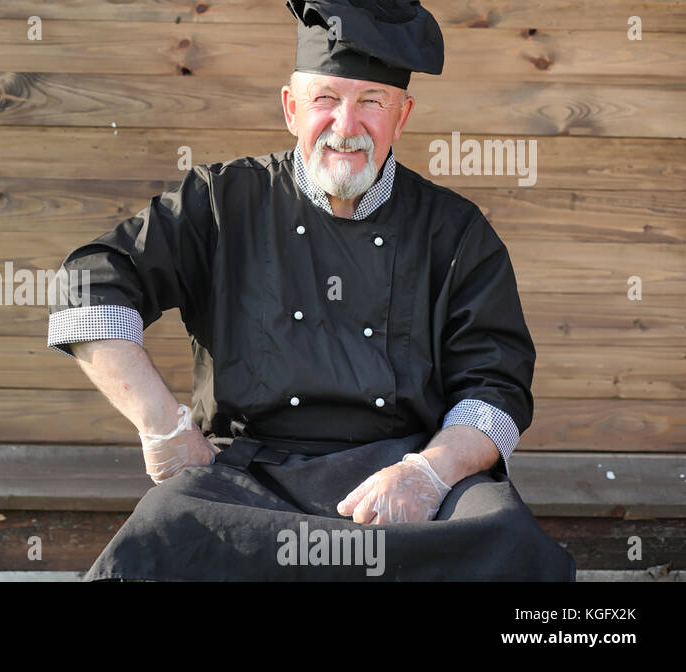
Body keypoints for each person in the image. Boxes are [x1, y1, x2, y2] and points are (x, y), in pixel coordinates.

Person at [45, 0, 575, 580]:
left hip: (404, 480)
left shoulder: (455, 231)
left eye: (371, 102)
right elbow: (87, 285)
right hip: (250, 482)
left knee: (507, 539)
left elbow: (496, 389)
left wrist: (431, 474)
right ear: (292, 108)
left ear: (402, 116)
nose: (346, 127)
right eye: (326, 99)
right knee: (163, 534)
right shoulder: (222, 202)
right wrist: (160, 422)